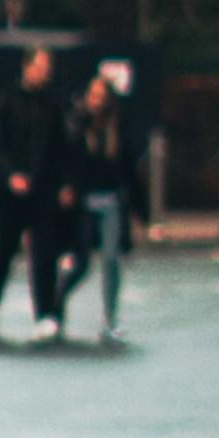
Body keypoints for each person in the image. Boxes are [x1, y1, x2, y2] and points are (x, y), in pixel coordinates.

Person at [0, 43, 74, 343]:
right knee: (4, 249)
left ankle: (45, 313)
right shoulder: (6, 102)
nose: (45, 74)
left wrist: (63, 183)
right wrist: (11, 176)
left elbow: (61, 148)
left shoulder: (52, 105)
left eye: (49, 70)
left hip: (43, 189)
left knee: (44, 253)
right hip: (10, 192)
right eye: (41, 68)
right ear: (27, 67)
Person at [73, 63, 136, 343]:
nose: (96, 102)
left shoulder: (117, 128)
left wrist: (141, 213)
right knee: (80, 262)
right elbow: (68, 159)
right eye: (93, 95)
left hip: (110, 200)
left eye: (102, 97)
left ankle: (110, 317)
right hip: (83, 200)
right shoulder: (77, 122)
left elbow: (128, 171)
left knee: (111, 259)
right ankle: (54, 307)